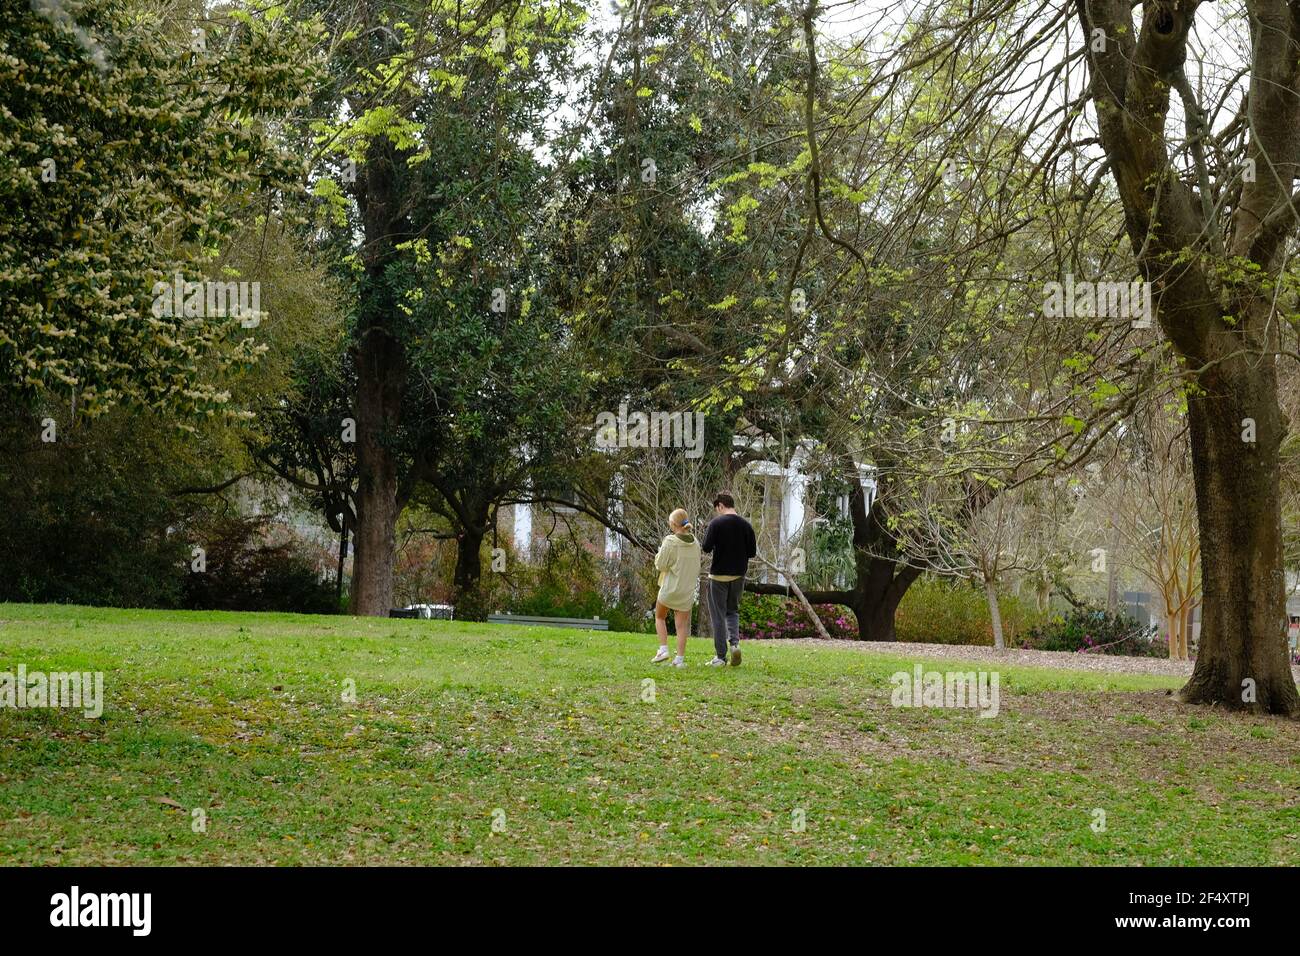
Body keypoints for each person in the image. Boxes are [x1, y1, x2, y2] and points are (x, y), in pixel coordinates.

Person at [700, 491, 756, 667]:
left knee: (718, 616)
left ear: (720, 506)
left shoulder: (716, 523)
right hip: (738, 575)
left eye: (717, 508)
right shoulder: (746, 525)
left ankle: (721, 657)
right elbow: (752, 553)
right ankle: (735, 644)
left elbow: (706, 548)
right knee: (732, 611)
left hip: (718, 576)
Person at [650, 508, 702, 667]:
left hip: (670, 588)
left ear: (673, 524)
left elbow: (660, 564)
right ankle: (679, 659)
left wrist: (659, 554)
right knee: (682, 626)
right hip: (686, 591)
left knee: (660, 617)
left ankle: (663, 649)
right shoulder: (695, 543)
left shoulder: (670, 541)